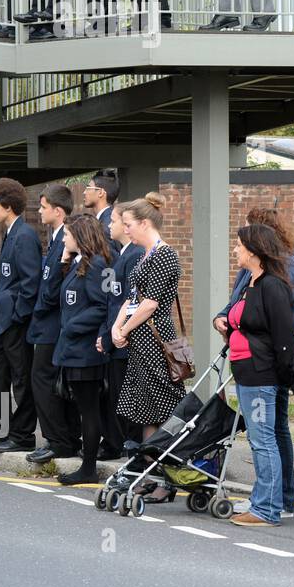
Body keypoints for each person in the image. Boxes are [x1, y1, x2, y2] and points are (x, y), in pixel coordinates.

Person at [214, 207, 294, 517]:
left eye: (240, 243)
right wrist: (223, 320)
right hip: (250, 371)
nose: (235, 249)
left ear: (255, 249)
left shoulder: (273, 283)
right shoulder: (253, 280)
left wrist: (280, 373)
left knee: (263, 439)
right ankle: (270, 501)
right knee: (267, 436)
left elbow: (281, 335)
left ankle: (268, 507)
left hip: (261, 372)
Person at [112, 193, 185, 491]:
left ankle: (168, 476)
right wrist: (117, 327)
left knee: (164, 407)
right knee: (147, 409)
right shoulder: (147, 255)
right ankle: (150, 474)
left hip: (156, 343)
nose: (125, 229)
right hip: (141, 342)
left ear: (144, 223)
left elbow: (150, 304)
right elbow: (132, 300)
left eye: (129, 224)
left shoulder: (165, 255)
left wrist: (125, 328)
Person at [0, 177, 41, 453]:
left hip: (16, 323)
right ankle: (4, 428)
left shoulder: (25, 236)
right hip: (1, 321)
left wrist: (17, 316)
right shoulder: (9, 232)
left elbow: (30, 283)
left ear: (8, 207)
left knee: (22, 380)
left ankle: (23, 435)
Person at [54, 213, 113, 485]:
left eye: (67, 234)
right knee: (84, 409)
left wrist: (72, 327)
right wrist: (64, 260)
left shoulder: (97, 265)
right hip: (74, 348)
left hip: (86, 351)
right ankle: (86, 465)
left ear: (80, 236)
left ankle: (88, 468)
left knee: (89, 411)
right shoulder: (79, 262)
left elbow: (102, 306)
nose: (64, 238)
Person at [26, 184, 82, 463]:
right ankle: (64, 438)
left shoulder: (66, 242)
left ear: (57, 211)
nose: (39, 211)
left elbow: (52, 290)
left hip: (53, 327)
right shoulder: (57, 238)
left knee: (44, 382)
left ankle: (59, 440)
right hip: (48, 325)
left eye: (44, 207)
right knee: (54, 384)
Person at [98, 202, 144, 459]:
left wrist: (116, 333)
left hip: (125, 342)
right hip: (115, 337)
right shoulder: (123, 255)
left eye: (114, 221)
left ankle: (132, 448)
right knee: (116, 396)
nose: (110, 226)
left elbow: (130, 300)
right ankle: (122, 443)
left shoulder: (135, 255)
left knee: (126, 399)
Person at [82, 168, 121, 255]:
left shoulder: (106, 226)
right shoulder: (107, 220)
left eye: (88, 187)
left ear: (100, 193)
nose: (84, 192)